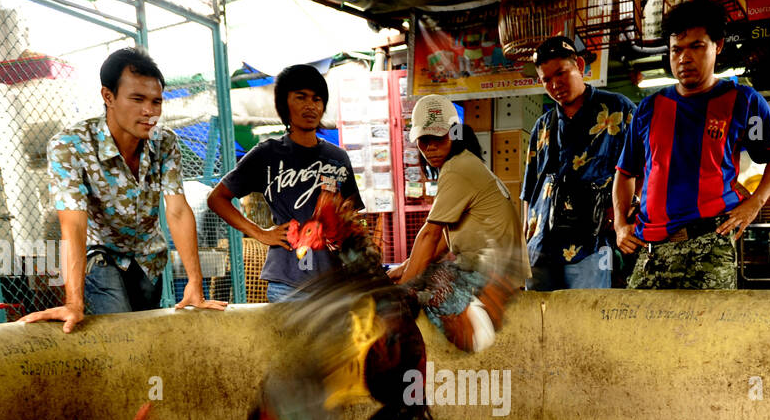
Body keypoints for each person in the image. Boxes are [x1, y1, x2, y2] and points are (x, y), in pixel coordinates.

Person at [24, 48, 223, 332]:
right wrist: (73, 302)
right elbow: (74, 227)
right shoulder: (70, 145)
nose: (149, 111)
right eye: (137, 99)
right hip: (99, 255)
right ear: (109, 97)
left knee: (143, 336)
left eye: (156, 102)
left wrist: (195, 283)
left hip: (148, 258)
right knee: (120, 333)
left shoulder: (165, 142)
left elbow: (177, 211)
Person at [614, 0, 770, 291]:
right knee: (642, 335)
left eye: (696, 47)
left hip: (709, 246)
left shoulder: (742, 101)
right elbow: (624, 172)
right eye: (676, 50)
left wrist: (754, 203)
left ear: (718, 45)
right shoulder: (649, 108)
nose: (684, 58)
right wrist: (621, 224)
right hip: (650, 250)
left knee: (707, 335)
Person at [206, 63, 362, 303]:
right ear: (284, 103)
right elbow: (217, 198)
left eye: (317, 99)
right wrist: (259, 233)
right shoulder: (266, 154)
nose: (310, 106)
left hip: (335, 282)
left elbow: (352, 216)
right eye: (301, 97)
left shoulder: (337, 157)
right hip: (287, 284)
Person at [522, 36, 635, 290]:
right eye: (546, 79)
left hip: (591, 243)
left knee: (587, 320)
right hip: (540, 245)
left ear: (580, 66)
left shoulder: (617, 109)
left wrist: (627, 212)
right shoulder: (542, 126)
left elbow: (646, 166)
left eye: (561, 73)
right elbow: (529, 190)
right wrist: (524, 238)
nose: (555, 84)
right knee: (539, 324)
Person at [388, 95, 530, 289]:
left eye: (438, 137)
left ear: (455, 133)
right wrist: (405, 267)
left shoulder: (457, 169)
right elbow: (442, 243)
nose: (430, 147)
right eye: (424, 140)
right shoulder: (465, 161)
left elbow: (431, 236)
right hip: (502, 276)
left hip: (493, 283)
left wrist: (401, 291)